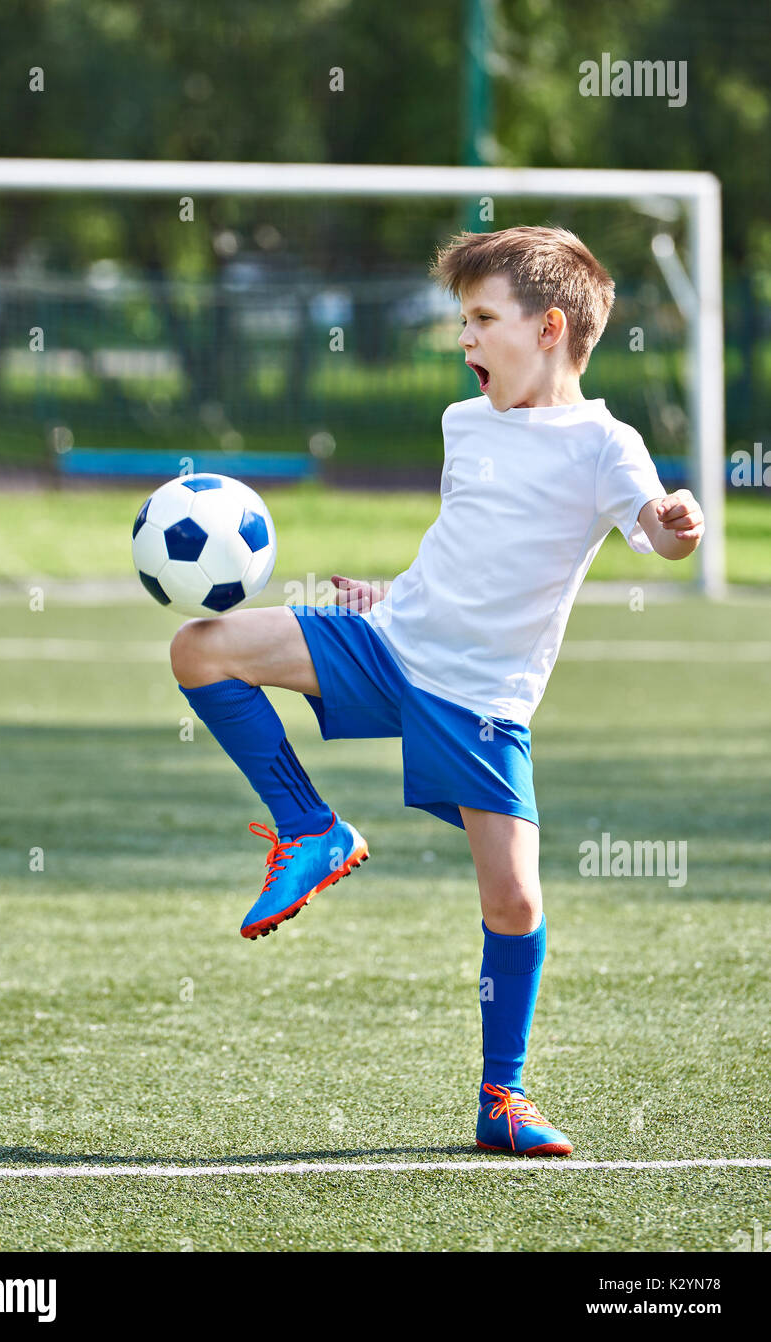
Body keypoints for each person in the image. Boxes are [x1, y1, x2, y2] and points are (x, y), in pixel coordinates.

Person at [170, 226, 705, 1156]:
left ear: (547, 328)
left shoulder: (605, 446)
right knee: (200, 649)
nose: (466, 340)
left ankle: (503, 1099)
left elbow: (656, 537)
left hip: (482, 702)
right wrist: (400, 594)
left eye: (481, 319)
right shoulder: (465, 421)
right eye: (463, 320)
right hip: (390, 644)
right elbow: (470, 535)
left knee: (514, 905)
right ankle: (309, 830)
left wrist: (678, 525)